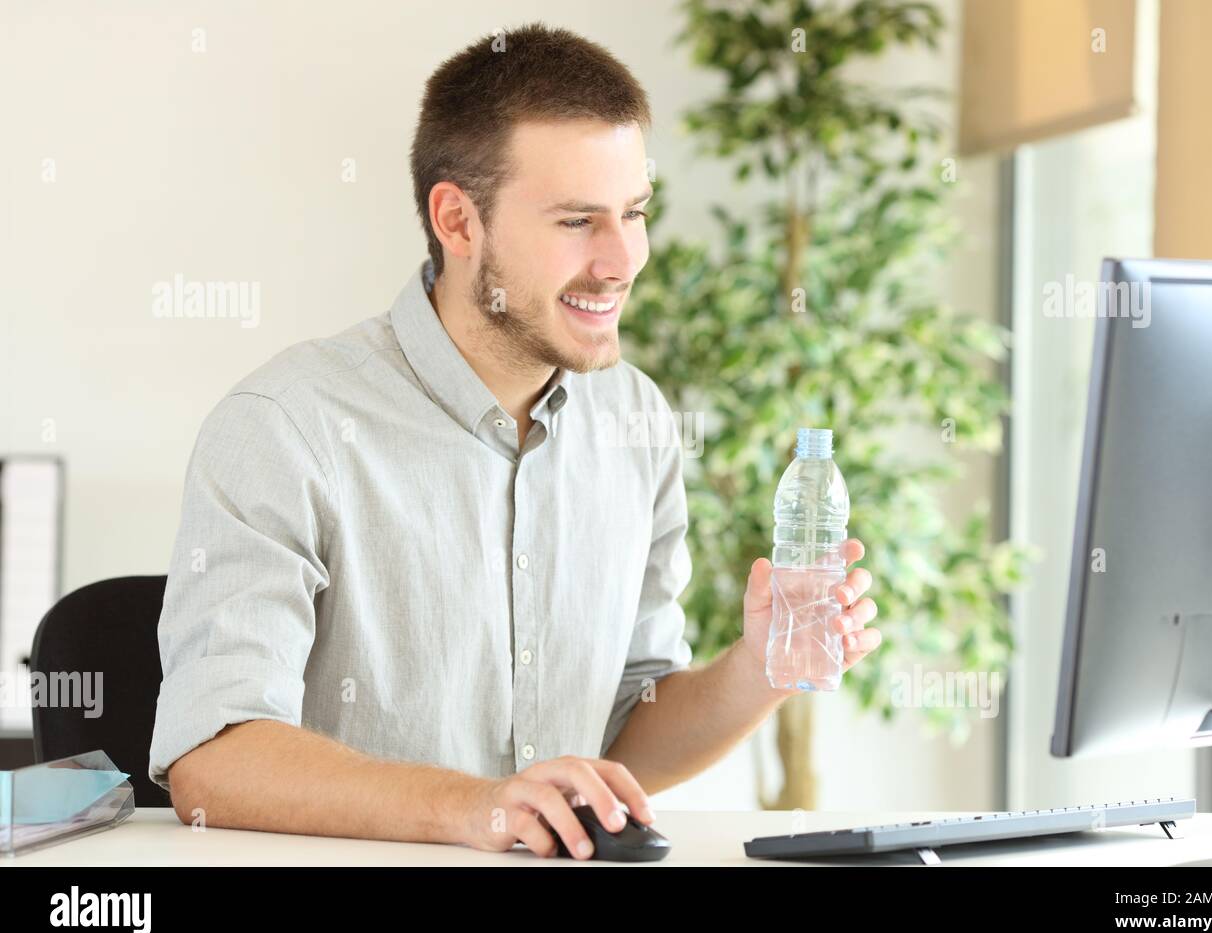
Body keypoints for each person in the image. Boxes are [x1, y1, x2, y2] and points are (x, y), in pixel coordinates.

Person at [148, 23, 880, 860]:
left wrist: (763, 661)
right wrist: (478, 807)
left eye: (634, 214)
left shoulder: (634, 420)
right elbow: (217, 758)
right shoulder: (286, 426)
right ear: (458, 221)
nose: (621, 262)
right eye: (577, 221)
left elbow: (624, 737)